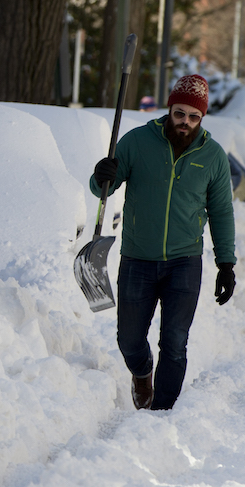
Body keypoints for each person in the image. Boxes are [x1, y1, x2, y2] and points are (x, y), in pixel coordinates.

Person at [90, 74, 237, 411]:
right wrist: (102, 175)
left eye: (193, 116)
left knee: (174, 342)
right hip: (137, 258)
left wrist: (225, 264)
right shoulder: (136, 142)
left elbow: (222, 212)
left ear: (202, 118)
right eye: (179, 113)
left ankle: (163, 412)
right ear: (169, 109)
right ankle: (142, 374)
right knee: (128, 340)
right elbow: (104, 189)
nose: (185, 122)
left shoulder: (212, 156)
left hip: (184, 261)